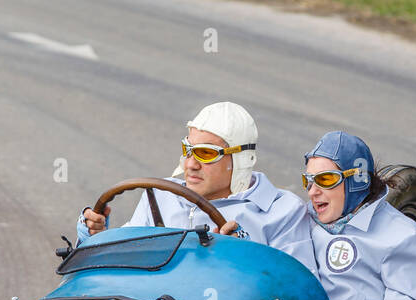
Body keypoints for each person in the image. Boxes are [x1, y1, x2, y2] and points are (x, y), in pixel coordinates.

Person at [77, 102, 315, 270]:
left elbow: (299, 293)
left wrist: (246, 257)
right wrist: (96, 237)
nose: (191, 164)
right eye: (188, 150)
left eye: (206, 154)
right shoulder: (160, 195)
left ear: (240, 159)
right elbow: (121, 264)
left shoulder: (283, 211)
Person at [302, 131, 416, 300]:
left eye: (325, 180)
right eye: (309, 180)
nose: (312, 191)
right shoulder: (300, 219)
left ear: (357, 180)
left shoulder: (402, 237)